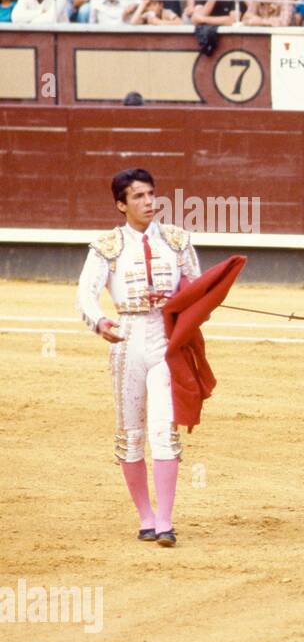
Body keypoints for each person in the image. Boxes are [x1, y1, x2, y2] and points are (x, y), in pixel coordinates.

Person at [76, 168, 203, 547]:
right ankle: (145, 517)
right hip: (127, 341)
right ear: (121, 204)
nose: (148, 202)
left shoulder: (178, 241)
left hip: (166, 341)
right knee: (131, 434)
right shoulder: (106, 247)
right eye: (138, 197)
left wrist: (179, 301)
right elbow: (85, 294)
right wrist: (99, 321)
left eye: (151, 194)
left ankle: (165, 522)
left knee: (164, 430)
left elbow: (197, 289)